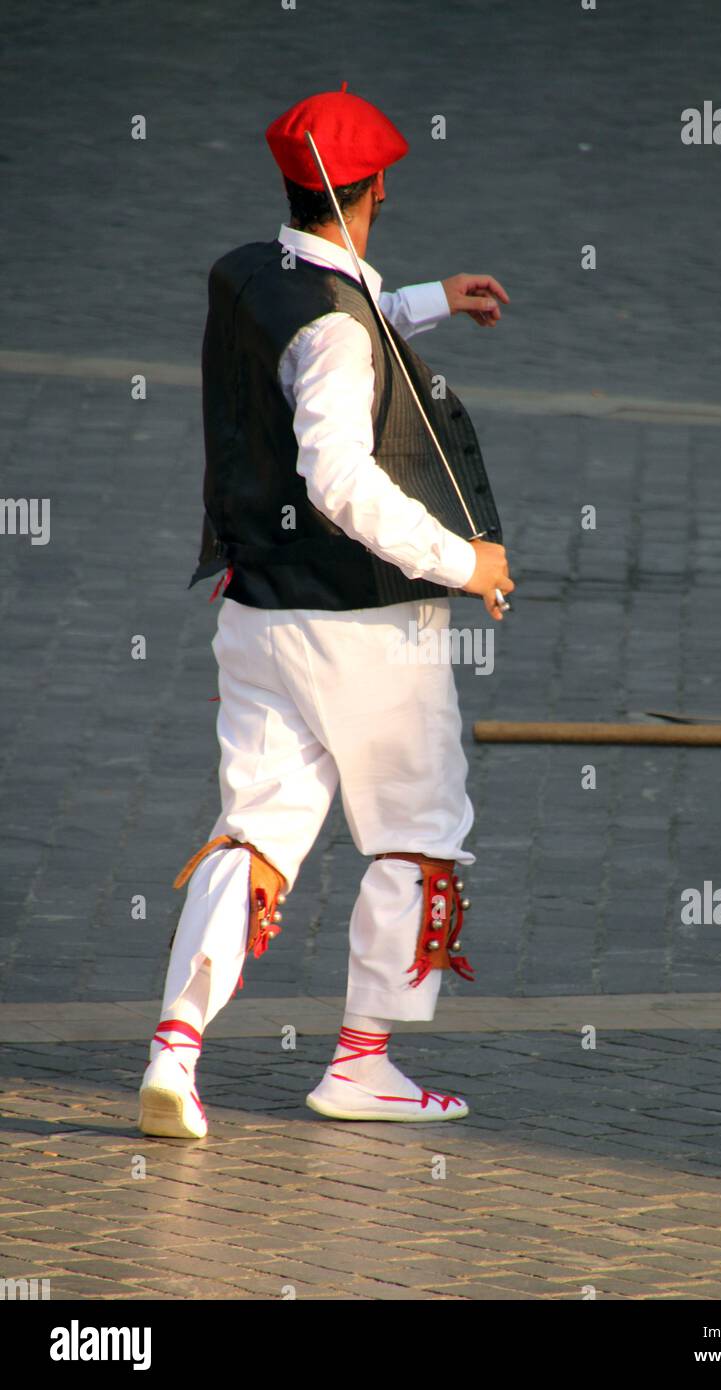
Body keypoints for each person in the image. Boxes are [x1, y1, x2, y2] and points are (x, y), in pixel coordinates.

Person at [137, 84, 514, 1138]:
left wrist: (430, 300)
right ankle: (361, 1064)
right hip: (369, 630)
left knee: (253, 832)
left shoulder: (253, 273)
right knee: (417, 833)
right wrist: (462, 562)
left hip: (257, 611)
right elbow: (340, 473)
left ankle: (175, 1045)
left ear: (297, 187)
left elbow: (328, 331)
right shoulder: (339, 333)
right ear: (377, 186)